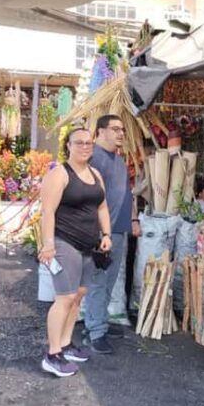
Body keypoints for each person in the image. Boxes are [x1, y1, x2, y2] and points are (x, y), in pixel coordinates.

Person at [38, 128, 113, 377]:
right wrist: (47, 244)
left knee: (78, 296)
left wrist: (106, 235)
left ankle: (66, 343)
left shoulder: (95, 174)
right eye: (79, 142)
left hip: (89, 245)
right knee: (65, 298)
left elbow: (102, 207)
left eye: (89, 143)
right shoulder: (59, 174)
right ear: (68, 146)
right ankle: (52, 354)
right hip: (64, 242)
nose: (84, 147)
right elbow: (47, 211)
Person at [83, 115, 141, 354]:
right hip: (101, 233)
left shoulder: (118, 160)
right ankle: (95, 332)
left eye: (122, 130)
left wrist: (134, 219)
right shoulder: (93, 158)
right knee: (98, 281)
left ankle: (98, 323)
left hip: (119, 229)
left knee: (108, 281)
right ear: (100, 132)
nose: (120, 133)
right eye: (115, 129)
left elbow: (127, 194)